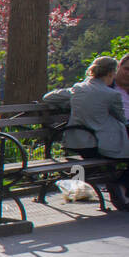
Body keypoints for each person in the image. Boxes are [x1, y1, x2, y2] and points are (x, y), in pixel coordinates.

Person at [43, 56, 129, 208]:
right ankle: (120, 185)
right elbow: (122, 119)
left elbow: (48, 98)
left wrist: (71, 102)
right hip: (100, 145)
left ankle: (120, 187)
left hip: (76, 142)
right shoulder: (111, 94)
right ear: (110, 73)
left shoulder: (78, 89)